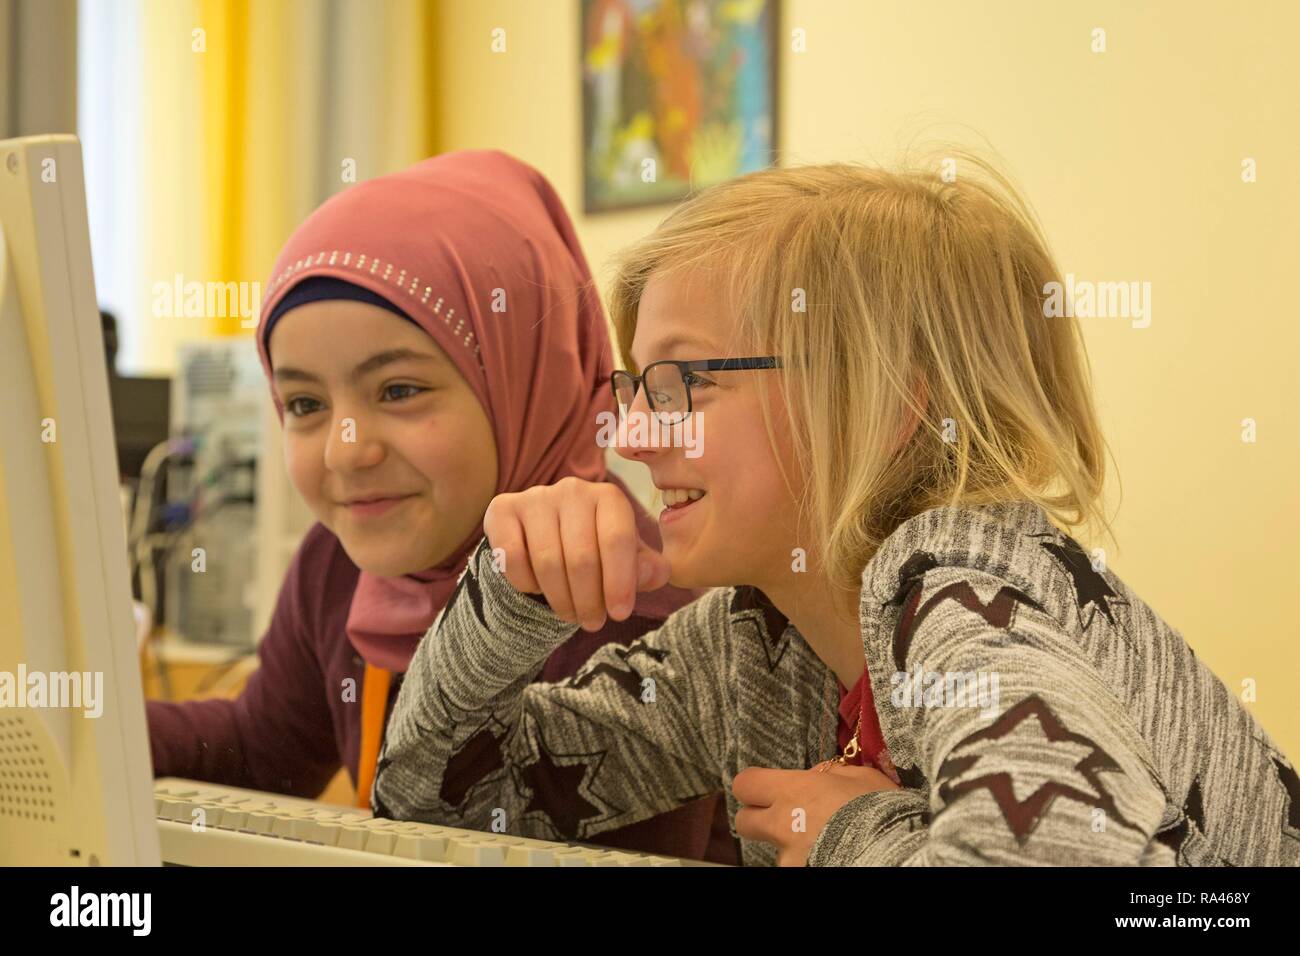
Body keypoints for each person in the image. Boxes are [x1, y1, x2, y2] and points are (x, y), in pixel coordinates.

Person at [373, 155, 1300, 866]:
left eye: (681, 382)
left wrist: (861, 835)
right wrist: (511, 592)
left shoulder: (964, 591)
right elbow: (434, 804)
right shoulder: (745, 643)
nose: (632, 438)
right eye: (634, 386)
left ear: (887, 403)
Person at [147, 149, 735, 863]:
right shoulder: (340, 561)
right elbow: (257, 749)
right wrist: (60, 725)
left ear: (528, 379)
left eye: (397, 391)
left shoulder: (621, 602)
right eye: (304, 404)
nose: (345, 450)